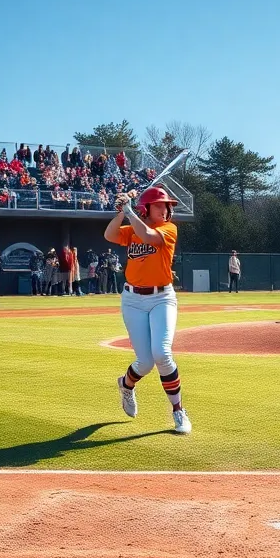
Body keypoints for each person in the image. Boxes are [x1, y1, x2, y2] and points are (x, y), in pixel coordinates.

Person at [105, 184, 190, 434]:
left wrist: (131, 213)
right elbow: (110, 235)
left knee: (162, 354)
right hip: (132, 300)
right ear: (148, 208)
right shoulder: (132, 229)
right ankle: (126, 386)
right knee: (144, 362)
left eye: (167, 206)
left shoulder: (169, 229)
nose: (165, 210)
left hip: (162, 297)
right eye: (160, 205)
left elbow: (150, 238)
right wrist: (122, 210)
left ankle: (178, 412)